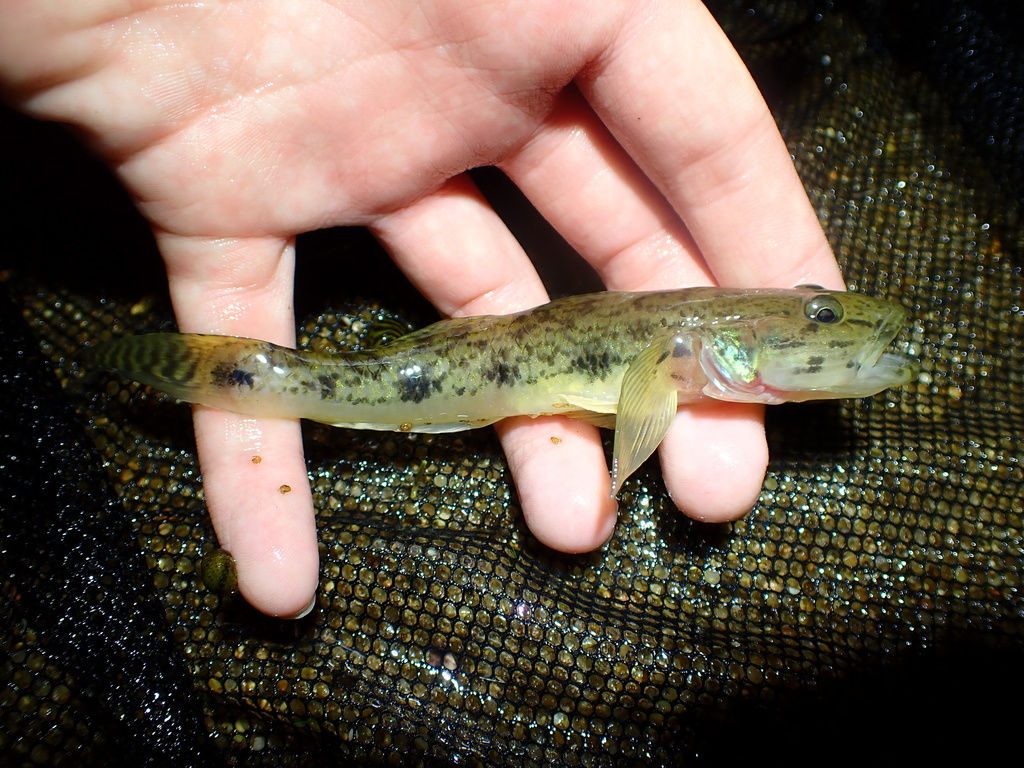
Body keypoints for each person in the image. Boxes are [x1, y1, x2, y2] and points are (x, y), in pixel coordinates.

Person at [0, 0, 842, 618]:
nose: (814, 322)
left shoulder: (703, 343)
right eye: (814, 317)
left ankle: (230, 376)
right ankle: (225, 375)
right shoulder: (690, 348)